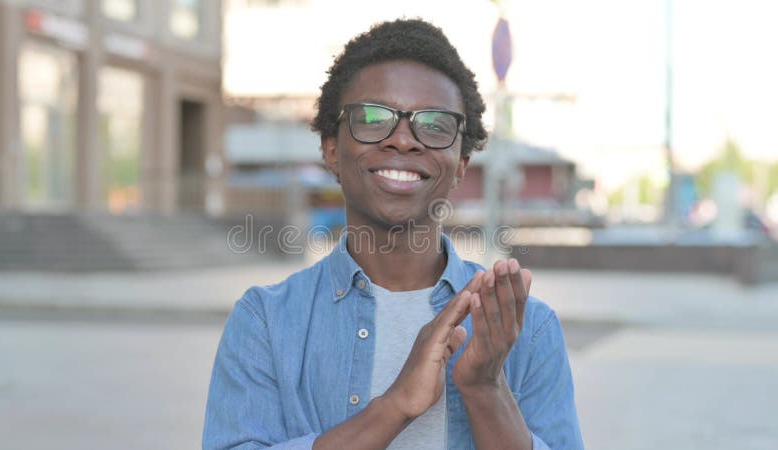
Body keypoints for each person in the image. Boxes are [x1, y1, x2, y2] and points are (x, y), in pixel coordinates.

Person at [203, 19, 583, 450]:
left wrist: (485, 388)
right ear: (331, 150)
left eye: (435, 124)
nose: (403, 141)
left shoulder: (528, 328)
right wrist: (395, 405)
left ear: (461, 164)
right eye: (372, 118)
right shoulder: (265, 322)